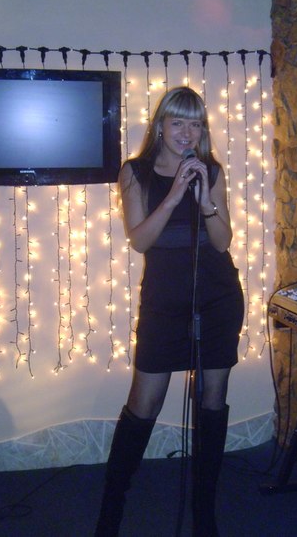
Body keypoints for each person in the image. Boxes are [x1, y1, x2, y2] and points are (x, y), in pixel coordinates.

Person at [94, 86, 244, 537]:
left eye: (195, 123)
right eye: (177, 121)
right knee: (145, 403)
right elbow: (140, 240)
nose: (186, 132)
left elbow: (223, 242)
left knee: (212, 400)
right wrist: (175, 194)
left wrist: (205, 200)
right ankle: (112, 507)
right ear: (160, 126)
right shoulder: (135, 172)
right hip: (164, 301)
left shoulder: (211, 171)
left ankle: (204, 511)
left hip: (217, 297)